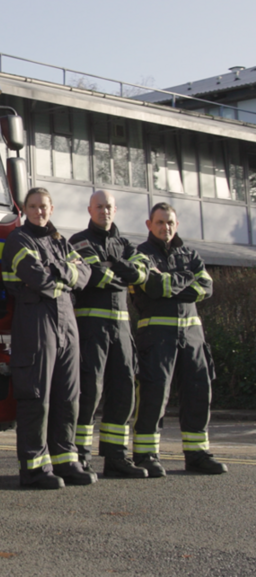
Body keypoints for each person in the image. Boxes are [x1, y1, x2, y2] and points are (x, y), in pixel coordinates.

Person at [1, 188, 94, 489]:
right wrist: (67, 276)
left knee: (69, 396)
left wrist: (61, 274)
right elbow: (36, 277)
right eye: (33, 206)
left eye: (43, 206)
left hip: (66, 320)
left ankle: (66, 460)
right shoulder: (18, 240)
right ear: (24, 209)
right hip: (35, 321)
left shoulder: (59, 240)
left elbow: (87, 273)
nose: (39, 211)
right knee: (36, 396)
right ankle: (34, 469)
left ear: (51, 208)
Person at [132, 203, 227, 476]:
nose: (166, 227)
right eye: (160, 223)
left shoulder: (190, 253)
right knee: (154, 393)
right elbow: (152, 285)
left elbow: (206, 287)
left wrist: (170, 284)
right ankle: (146, 455)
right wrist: (185, 281)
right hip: (156, 335)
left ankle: (197, 454)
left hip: (193, 336)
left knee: (199, 392)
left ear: (177, 224)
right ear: (149, 225)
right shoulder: (141, 255)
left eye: (170, 222)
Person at [68, 190, 150, 478]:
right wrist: (121, 271)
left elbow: (142, 275)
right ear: (90, 209)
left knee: (124, 391)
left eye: (109, 207)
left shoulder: (126, 242)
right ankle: (79, 456)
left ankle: (116, 457)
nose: (104, 211)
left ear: (116, 210)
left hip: (122, 329)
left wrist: (116, 267)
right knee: (89, 391)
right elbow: (95, 275)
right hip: (92, 329)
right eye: (99, 206)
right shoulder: (79, 241)